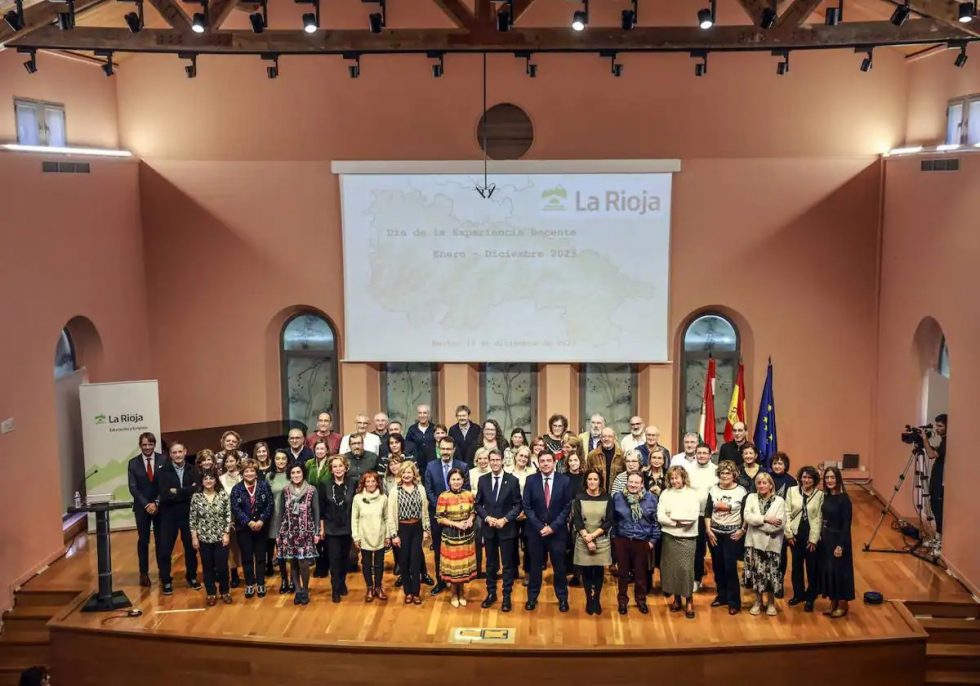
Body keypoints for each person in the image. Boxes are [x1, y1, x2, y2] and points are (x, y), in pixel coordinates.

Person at [523, 451, 572, 612]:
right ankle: (532, 597)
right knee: (535, 567)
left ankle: (563, 598)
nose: (545, 463)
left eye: (548, 461)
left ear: (554, 462)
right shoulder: (531, 480)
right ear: (538, 462)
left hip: (557, 532)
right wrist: (540, 526)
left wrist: (553, 527)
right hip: (535, 532)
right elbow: (527, 507)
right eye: (542, 461)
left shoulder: (564, 480)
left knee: (560, 568)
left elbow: (567, 507)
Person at [475, 449, 521, 612]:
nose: (494, 462)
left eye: (497, 459)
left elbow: (518, 505)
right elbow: (478, 504)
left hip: (506, 529)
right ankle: (491, 593)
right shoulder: (483, 480)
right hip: (489, 529)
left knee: (508, 565)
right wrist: (487, 518)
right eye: (491, 459)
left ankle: (506, 596)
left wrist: (505, 519)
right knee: (491, 564)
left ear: (502, 461)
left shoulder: (512, 480)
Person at [424, 436, 468, 595]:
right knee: (438, 549)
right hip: (438, 516)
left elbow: (466, 490)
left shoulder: (462, 466)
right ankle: (441, 581)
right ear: (438, 448)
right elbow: (429, 491)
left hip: (458, 518)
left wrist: (453, 510)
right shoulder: (431, 466)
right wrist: (442, 507)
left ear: (454, 449)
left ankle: (458, 582)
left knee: (457, 551)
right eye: (442, 448)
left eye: (449, 449)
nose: (445, 451)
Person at [612, 472, 660, 615]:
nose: (633, 485)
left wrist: (652, 541)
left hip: (642, 541)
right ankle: (622, 601)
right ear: (627, 482)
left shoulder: (651, 499)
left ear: (641, 484)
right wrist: (614, 538)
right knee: (622, 574)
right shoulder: (618, 498)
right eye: (630, 482)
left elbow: (656, 522)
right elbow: (612, 520)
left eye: (636, 482)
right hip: (622, 539)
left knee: (641, 574)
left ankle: (641, 601)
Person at [157, 442, 201, 595]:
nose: (177, 455)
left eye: (180, 452)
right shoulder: (162, 471)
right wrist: (186, 492)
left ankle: (192, 577)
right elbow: (164, 494)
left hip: (188, 513)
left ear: (185, 452)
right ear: (170, 454)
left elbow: (196, 490)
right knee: (165, 549)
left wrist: (177, 491)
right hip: (169, 514)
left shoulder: (192, 469)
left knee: (191, 548)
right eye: (174, 452)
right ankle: (166, 580)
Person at [657, 465, 700, 618]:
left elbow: (692, 517)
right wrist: (676, 521)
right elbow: (660, 516)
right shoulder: (665, 494)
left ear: (683, 477)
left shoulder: (692, 494)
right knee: (671, 569)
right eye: (672, 478)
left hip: (687, 538)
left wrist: (671, 515)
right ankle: (676, 599)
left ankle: (689, 600)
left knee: (685, 569)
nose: (675, 481)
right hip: (669, 536)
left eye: (677, 477)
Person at [705, 460, 748, 614]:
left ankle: (734, 601)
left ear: (734, 474)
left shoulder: (741, 491)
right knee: (718, 566)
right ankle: (721, 596)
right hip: (715, 533)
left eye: (728, 472)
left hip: (732, 534)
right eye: (722, 473)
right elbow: (708, 511)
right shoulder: (713, 489)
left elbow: (746, 514)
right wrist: (709, 530)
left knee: (730, 567)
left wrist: (742, 530)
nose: (725, 475)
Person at [387, 461, 431, 605]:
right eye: (404, 472)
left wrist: (426, 529)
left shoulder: (421, 489)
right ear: (400, 474)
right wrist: (394, 534)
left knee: (416, 560)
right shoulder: (395, 491)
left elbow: (424, 511)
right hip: (402, 529)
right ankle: (408, 592)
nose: (406, 475)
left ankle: (416, 592)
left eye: (409, 472)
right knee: (404, 561)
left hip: (417, 527)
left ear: (414, 474)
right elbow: (391, 515)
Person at [743, 472, 787, 616]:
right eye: (759, 483)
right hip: (753, 543)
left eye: (764, 483)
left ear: (770, 485)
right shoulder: (751, 497)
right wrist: (766, 519)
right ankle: (758, 601)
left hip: (772, 544)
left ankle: (771, 603)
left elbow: (780, 525)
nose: (761, 486)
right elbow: (747, 517)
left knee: (771, 574)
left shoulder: (779, 501)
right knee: (756, 574)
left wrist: (757, 523)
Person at [277, 463, 321, 605]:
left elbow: (316, 511)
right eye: (293, 473)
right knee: (293, 562)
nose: (296, 475)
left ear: (303, 473)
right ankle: (297, 590)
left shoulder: (311, 490)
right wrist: (279, 534)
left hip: (306, 531)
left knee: (303, 563)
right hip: (289, 531)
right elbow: (281, 512)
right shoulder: (285, 491)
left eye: (298, 472)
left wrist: (317, 532)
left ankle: (305, 589)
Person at [230, 459, 274, 599]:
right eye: (246, 471)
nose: (249, 473)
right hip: (244, 529)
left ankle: (260, 583)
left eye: (252, 471)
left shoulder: (263, 485)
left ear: (256, 473)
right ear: (242, 473)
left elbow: (270, 504)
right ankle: (250, 583)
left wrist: (261, 520)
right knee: (247, 557)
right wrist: (248, 522)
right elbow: (235, 509)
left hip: (261, 527)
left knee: (261, 556)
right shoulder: (236, 489)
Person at [128, 431, 166, 588]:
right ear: (140, 446)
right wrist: (146, 505)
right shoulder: (133, 463)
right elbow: (133, 487)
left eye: (150, 444)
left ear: (154, 444)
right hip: (141, 508)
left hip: (160, 506)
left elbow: (165, 483)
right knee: (143, 541)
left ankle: (163, 573)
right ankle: (143, 573)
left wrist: (156, 503)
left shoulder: (163, 459)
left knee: (161, 540)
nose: (147, 447)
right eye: (144, 444)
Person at [572, 469, 613, 615]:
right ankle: (589, 599)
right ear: (586, 481)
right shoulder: (579, 497)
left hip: (601, 539)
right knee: (587, 571)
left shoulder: (607, 498)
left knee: (599, 572)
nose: (592, 482)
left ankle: (597, 599)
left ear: (600, 481)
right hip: (583, 538)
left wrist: (593, 536)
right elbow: (576, 520)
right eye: (590, 479)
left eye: (595, 479)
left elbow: (608, 521)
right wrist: (586, 537)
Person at [435, 468, 477, 608]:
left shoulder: (469, 495)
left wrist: (471, 519)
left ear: (463, 480)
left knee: (463, 566)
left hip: (466, 535)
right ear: (449, 481)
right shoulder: (443, 496)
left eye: (458, 479)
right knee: (453, 568)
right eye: (453, 479)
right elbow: (440, 518)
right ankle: (454, 593)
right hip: (451, 535)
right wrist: (456, 524)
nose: (456, 482)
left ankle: (462, 592)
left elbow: (473, 512)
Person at [190, 468, 232, 606]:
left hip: (220, 537)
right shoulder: (196, 497)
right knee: (207, 566)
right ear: (202, 481)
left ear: (216, 480)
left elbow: (228, 515)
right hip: (204, 538)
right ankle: (211, 593)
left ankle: (225, 591)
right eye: (206, 479)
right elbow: (193, 519)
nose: (208, 481)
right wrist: (194, 537)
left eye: (211, 478)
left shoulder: (223, 494)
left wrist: (226, 533)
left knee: (222, 567)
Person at [784, 465, 823, 612]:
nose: (806, 480)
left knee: (812, 568)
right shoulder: (792, 491)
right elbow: (786, 512)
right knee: (796, 567)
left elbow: (818, 517)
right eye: (804, 477)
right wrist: (788, 533)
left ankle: (810, 597)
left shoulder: (820, 495)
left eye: (809, 478)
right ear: (800, 478)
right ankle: (798, 594)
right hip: (795, 534)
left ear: (814, 480)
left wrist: (814, 539)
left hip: (811, 536)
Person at [319, 455, 357, 603]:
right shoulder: (324, 484)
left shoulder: (353, 483)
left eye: (340, 466)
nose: (338, 469)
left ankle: (342, 582)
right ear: (331, 469)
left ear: (345, 467)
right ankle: (335, 589)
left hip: (347, 527)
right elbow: (321, 509)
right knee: (334, 560)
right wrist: (321, 528)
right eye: (335, 467)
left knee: (345, 559)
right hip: (331, 528)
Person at [819, 465, 854, 618]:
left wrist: (841, 545)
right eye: (827, 478)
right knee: (829, 571)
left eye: (832, 477)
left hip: (839, 539)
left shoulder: (844, 499)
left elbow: (846, 525)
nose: (829, 480)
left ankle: (842, 604)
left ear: (838, 479)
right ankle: (832, 602)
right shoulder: (826, 496)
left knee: (840, 571)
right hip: (826, 538)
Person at [351, 470, 389, 602]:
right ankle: (369, 587)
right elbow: (354, 519)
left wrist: (388, 535)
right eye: (368, 481)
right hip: (364, 536)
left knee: (379, 564)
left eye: (373, 481)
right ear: (364, 483)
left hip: (379, 535)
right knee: (366, 564)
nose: (371, 484)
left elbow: (386, 517)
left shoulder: (383, 498)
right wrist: (356, 536)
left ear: (377, 483)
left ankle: (378, 587)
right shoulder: (358, 498)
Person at [686, 443, 718, 592]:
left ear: (710, 455)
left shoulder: (716, 470)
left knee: (716, 549)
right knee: (697, 549)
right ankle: (696, 578)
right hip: (694, 515)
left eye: (705, 453)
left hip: (713, 516)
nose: (702, 455)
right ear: (695, 454)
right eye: (699, 453)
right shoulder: (688, 469)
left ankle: (720, 581)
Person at [304, 439, 334, 579]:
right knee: (315, 536)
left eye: (322, 449)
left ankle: (326, 564)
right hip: (311, 503)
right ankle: (319, 564)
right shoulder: (309, 464)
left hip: (328, 503)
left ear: (327, 450)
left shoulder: (331, 464)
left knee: (326, 536)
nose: (320, 451)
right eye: (317, 449)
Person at [507, 445, 536, 584]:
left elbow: (534, 494)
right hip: (510, 512)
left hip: (527, 513)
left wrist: (525, 511)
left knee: (529, 544)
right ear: (515, 456)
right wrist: (513, 513)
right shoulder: (507, 471)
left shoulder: (532, 472)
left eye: (526, 457)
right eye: (521, 456)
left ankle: (528, 572)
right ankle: (513, 569)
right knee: (511, 542)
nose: (523, 458)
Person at [769, 452, 797, 596]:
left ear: (785, 465)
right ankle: (767, 581)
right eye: (775, 463)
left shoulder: (791, 481)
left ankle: (778, 582)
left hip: (783, 523)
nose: (777, 466)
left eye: (780, 463)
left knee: (781, 554)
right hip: (767, 522)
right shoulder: (767, 478)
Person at [266, 449, 292, 593]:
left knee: (292, 551)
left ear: (287, 460)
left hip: (291, 518)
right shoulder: (269, 476)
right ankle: (284, 580)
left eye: (283, 458)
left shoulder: (293, 474)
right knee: (280, 551)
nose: (280, 461)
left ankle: (294, 580)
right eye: (277, 459)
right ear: (273, 460)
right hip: (275, 518)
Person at [219, 450, 243, 589]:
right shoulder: (221, 479)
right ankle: (234, 574)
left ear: (237, 461)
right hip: (229, 518)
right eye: (226, 461)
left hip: (243, 517)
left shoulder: (244, 475)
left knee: (244, 546)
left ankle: (248, 572)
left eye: (231, 461)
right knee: (231, 548)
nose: (229, 464)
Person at [922, 414, 947, 537]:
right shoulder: (943, 442)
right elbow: (935, 451)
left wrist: (925, 441)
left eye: (940, 426)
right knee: (935, 506)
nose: (937, 428)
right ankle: (938, 537)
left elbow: (931, 455)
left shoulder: (947, 441)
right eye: (936, 425)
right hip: (936, 480)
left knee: (937, 508)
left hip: (940, 481)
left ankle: (939, 538)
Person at [468, 448, 492, 578]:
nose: (483, 461)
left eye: (485, 458)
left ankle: (491, 568)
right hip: (475, 511)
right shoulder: (471, 473)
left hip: (491, 511)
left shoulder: (493, 472)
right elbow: (468, 491)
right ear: (476, 460)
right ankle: (476, 569)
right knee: (476, 541)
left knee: (490, 540)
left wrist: (478, 494)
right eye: (480, 458)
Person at [585, 427, 624, 493]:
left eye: (610, 436)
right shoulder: (592, 455)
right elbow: (587, 476)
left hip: (616, 494)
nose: (606, 439)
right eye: (604, 436)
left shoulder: (622, 456)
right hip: (598, 495)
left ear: (614, 438)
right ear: (600, 438)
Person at [406, 404, 437, 470]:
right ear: (417, 415)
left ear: (428, 414)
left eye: (425, 413)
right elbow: (407, 446)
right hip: (416, 464)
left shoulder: (434, 428)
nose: (422, 415)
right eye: (420, 413)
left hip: (432, 463)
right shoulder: (412, 429)